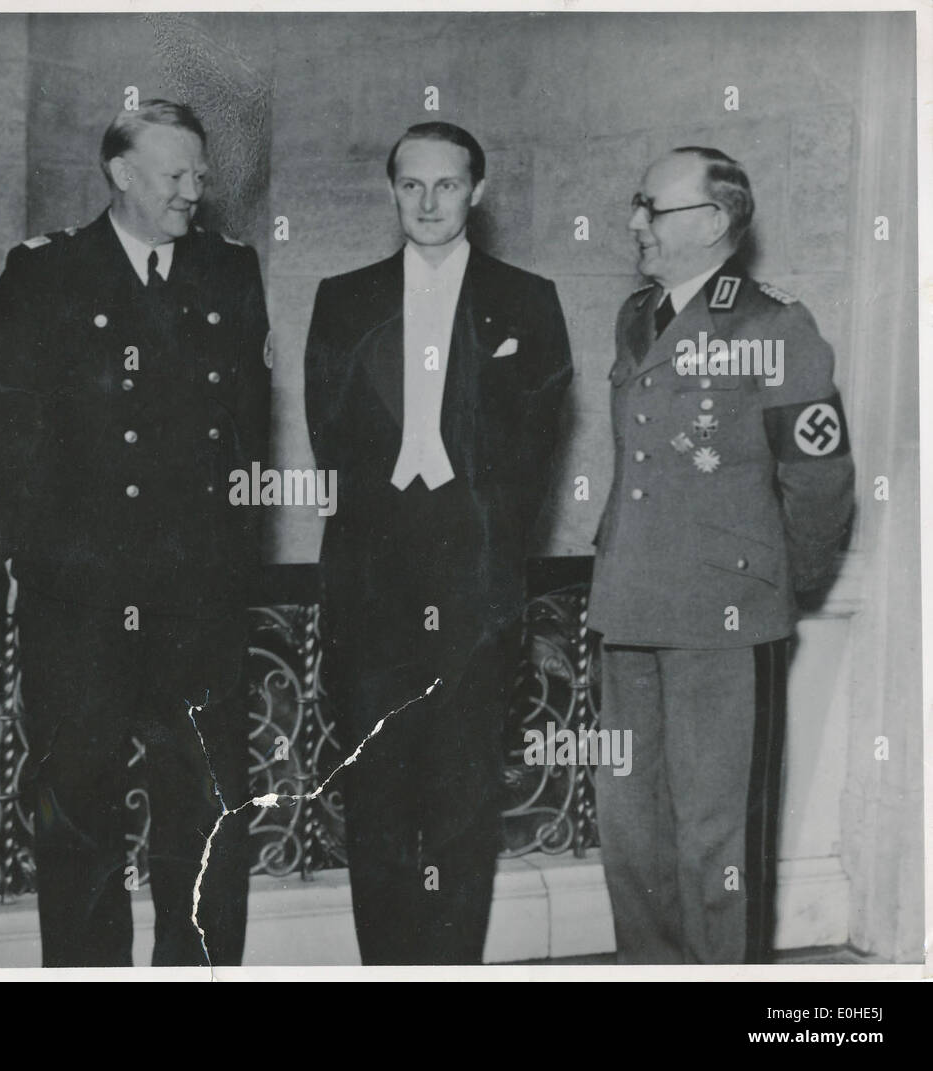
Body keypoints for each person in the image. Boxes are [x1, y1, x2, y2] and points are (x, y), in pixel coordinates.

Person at [0, 100, 270, 967]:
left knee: (209, 810)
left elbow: (249, 432)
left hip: (198, 598)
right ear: (120, 172)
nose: (191, 192)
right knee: (77, 814)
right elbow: (5, 430)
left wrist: (237, 565)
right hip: (80, 598)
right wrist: (14, 563)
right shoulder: (46, 274)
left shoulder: (230, 271)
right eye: (173, 175)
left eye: (200, 177)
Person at [304, 122, 573, 964]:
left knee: (461, 807)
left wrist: (477, 542)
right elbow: (330, 440)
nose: (428, 202)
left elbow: (535, 450)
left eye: (447, 185)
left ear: (477, 193)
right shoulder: (342, 297)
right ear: (391, 192)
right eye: (411, 185)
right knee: (377, 801)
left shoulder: (527, 299)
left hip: (473, 588)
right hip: (371, 586)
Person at [588, 147, 856, 963]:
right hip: (630, 609)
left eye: (652, 208)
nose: (635, 222)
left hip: (725, 618)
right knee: (632, 834)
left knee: (717, 841)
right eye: (637, 203)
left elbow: (819, 480)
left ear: (712, 223)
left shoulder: (774, 325)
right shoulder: (637, 316)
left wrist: (782, 590)